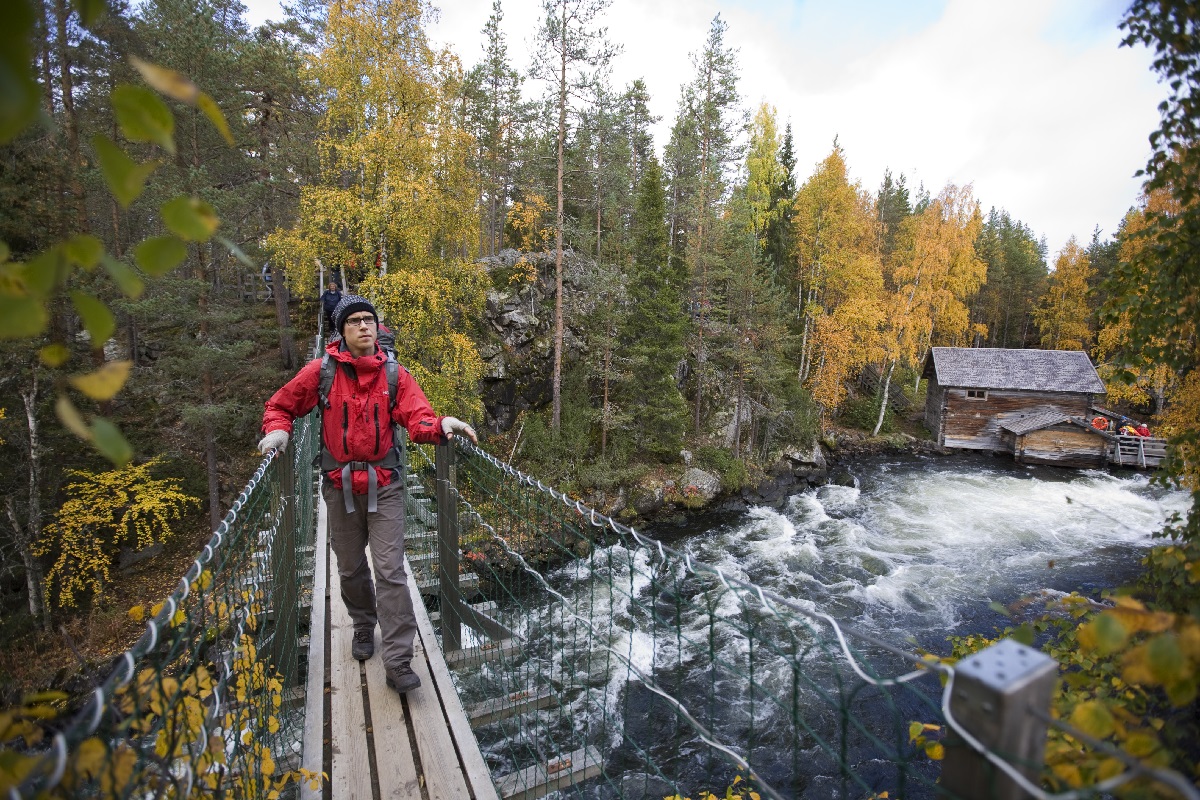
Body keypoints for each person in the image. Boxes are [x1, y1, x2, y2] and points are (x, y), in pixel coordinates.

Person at [258, 294, 477, 694]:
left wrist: (441, 424)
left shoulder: (394, 375)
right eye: (354, 321)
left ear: (377, 327)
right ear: (341, 331)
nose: (363, 326)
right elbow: (281, 406)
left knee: (391, 571)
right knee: (350, 568)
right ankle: (363, 624)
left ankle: (398, 661)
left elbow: (418, 417)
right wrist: (278, 432)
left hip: (386, 485)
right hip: (338, 486)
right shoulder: (321, 371)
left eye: (369, 320)